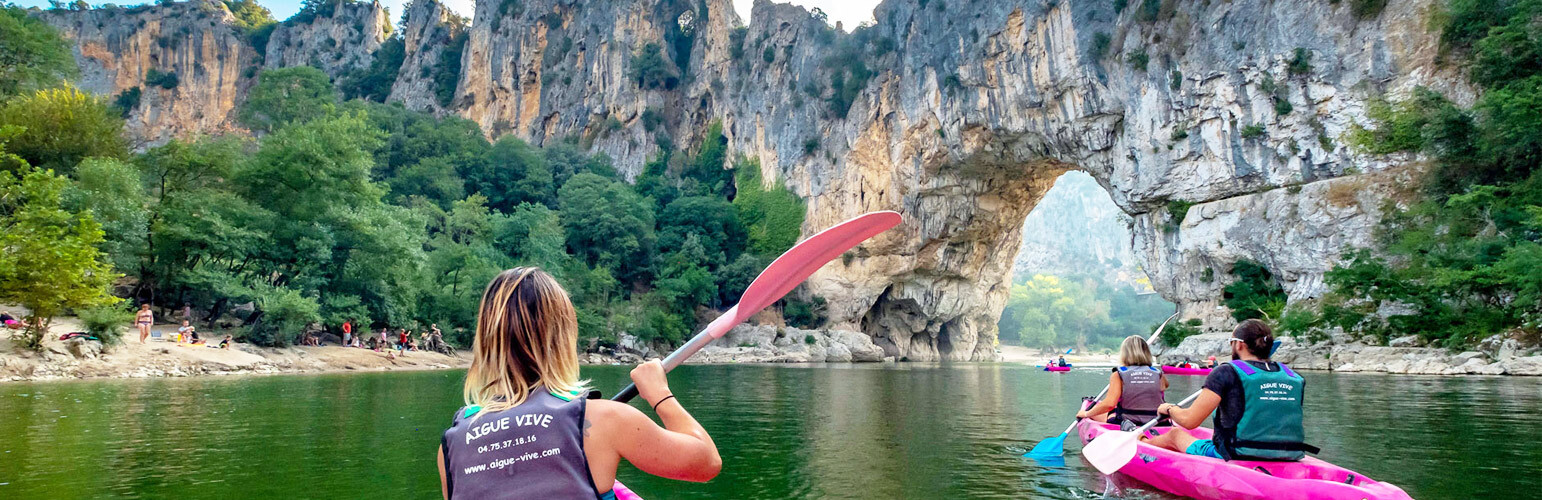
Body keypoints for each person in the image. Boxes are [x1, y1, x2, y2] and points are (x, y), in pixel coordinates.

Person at [437, 267, 720, 499]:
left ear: (486, 340)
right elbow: (706, 462)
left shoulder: (452, 444)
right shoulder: (601, 420)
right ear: (562, 337)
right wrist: (659, 394)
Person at [1146, 319, 1318, 461]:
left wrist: (1169, 408)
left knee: (1175, 434)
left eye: (1231, 342)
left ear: (1239, 345)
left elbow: (1189, 421)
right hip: (1290, 453)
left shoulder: (1225, 372)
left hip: (1236, 453)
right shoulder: (1293, 376)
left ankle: (1141, 445)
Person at [1077, 335, 1169, 426]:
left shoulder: (1118, 374)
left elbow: (1109, 404)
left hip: (1127, 424)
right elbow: (1156, 390)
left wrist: (1086, 414)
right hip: (1157, 422)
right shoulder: (1158, 374)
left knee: (1108, 413)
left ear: (1124, 354)